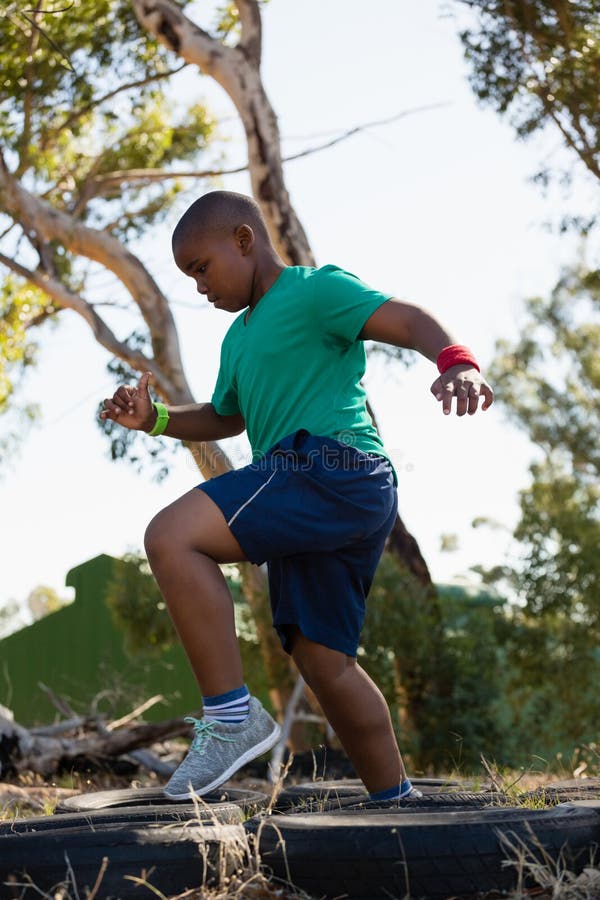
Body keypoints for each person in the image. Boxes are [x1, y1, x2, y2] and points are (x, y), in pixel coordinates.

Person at [100, 190, 493, 802]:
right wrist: (155, 420)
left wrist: (456, 362)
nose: (199, 286)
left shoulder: (314, 291)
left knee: (172, 536)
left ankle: (232, 718)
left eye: (201, 267)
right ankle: (398, 803)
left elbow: (410, 320)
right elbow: (223, 416)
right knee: (323, 662)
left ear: (243, 239)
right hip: (316, 493)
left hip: (331, 466)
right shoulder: (237, 340)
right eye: (189, 277)